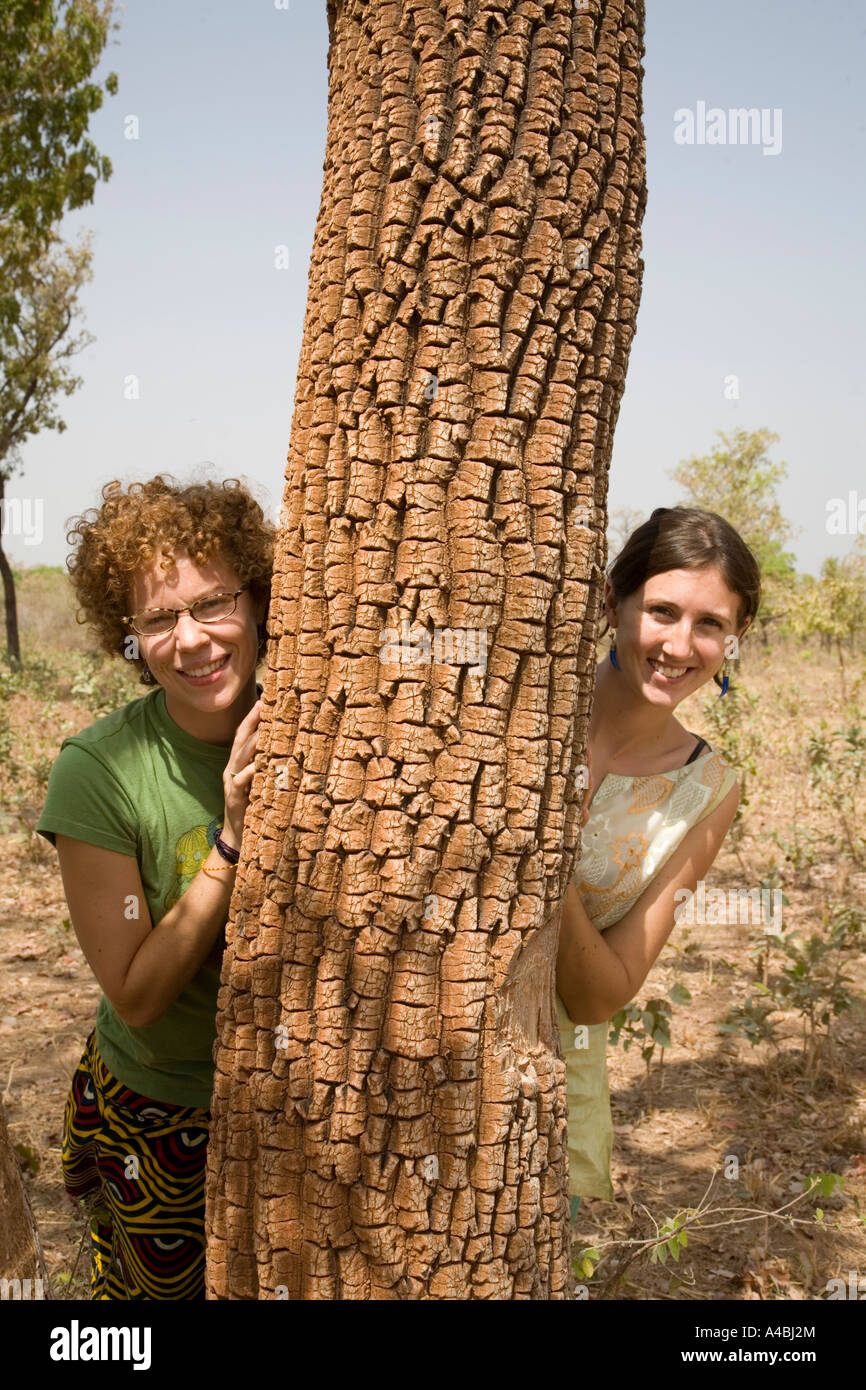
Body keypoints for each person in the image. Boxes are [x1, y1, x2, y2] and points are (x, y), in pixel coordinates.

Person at [36, 473, 274, 1299]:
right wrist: (232, 837)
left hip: (309, 1096)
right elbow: (135, 994)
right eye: (159, 618)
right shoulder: (97, 774)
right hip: (166, 1112)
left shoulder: (333, 719)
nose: (193, 638)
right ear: (129, 637)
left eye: (213, 603)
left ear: (257, 600)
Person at [556, 506, 761, 1220]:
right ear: (615, 602)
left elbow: (600, 996)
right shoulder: (521, 704)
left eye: (711, 624)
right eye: (663, 611)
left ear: (734, 641)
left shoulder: (708, 790)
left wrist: (544, 862)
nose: (680, 644)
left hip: (540, 1104)